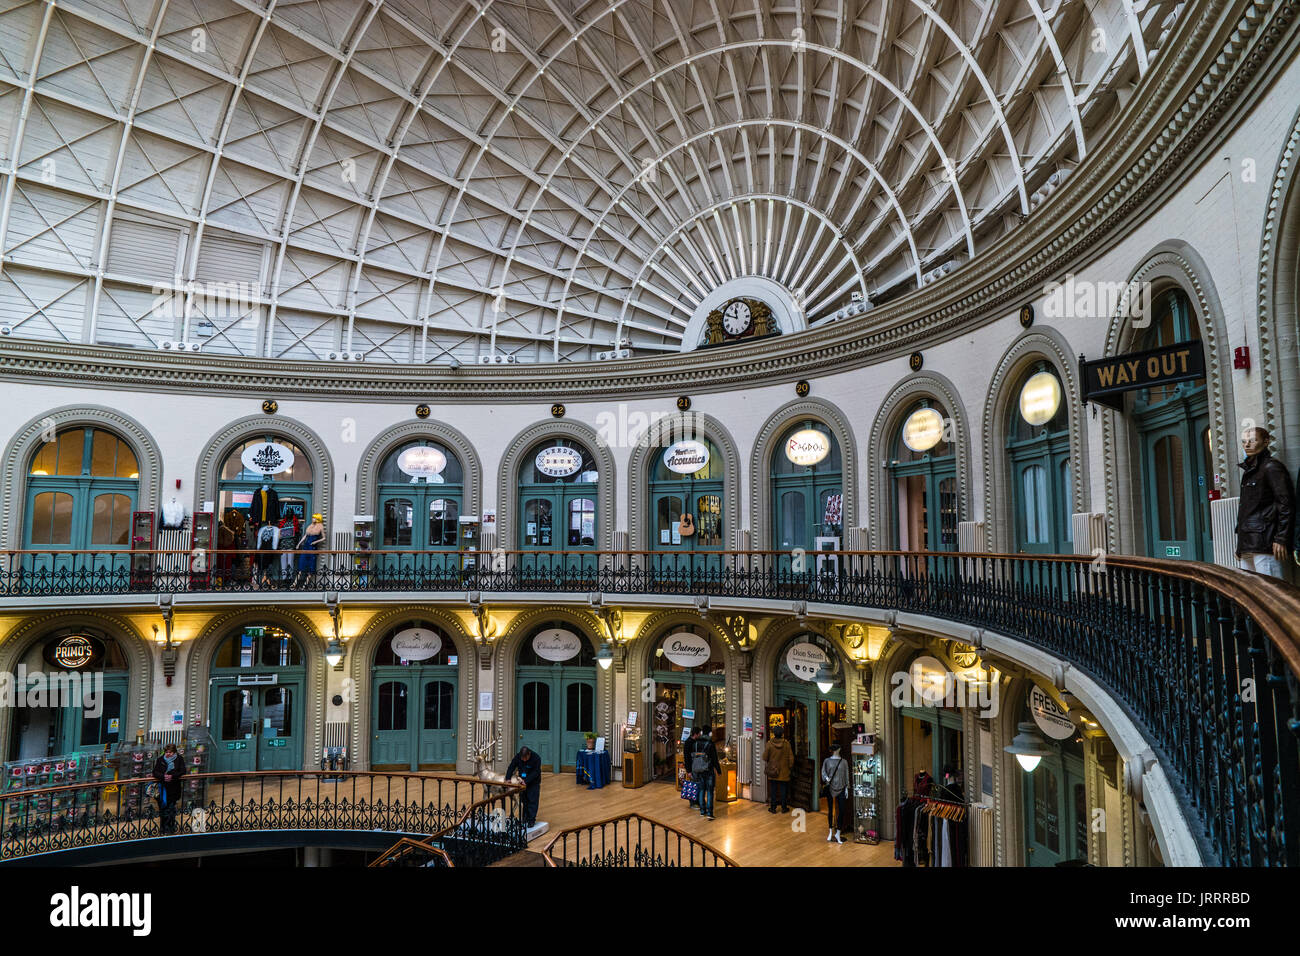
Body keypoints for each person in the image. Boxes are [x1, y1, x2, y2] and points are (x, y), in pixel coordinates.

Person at [1235, 427, 1294, 579]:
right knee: (1250, 594)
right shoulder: (1250, 471)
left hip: (1265, 542)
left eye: (1252, 440)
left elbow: (1286, 504)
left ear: (1266, 442)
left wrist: (1281, 538)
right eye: (1244, 441)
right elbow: (1246, 511)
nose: (1247, 445)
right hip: (1247, 543)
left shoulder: (1272, 467)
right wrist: (1240, 546)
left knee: (1270, 591)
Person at [687, 724, 721, 820]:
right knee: (710, 791)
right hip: (708, 770)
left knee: (701, 790)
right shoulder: (710, 744)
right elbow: (714, 759)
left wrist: (690, 769)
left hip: (698, 770)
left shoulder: (695, 744)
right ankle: (710, 813)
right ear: (710, 733)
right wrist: (718, 770)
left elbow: (691, 756)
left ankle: (702, 811)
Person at [152, 743, 186, 835]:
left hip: (174, 789)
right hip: (162, 789)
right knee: (163, 810)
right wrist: (163, 776)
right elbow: (155, 772)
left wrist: (172, 776)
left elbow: (183, 771)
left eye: (170, 752)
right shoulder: (160, 760)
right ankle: (163, 829)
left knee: (171, 809)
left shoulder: (179, 759)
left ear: (174, 752)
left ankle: (170, 829)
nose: (167, 754)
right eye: (166, 752)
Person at [505, 745, 542, 828]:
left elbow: (536, 772)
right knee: (524, 801)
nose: (523, 760)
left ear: (529, 754)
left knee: (532, 801)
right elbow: (511, 767)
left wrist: (526, 781)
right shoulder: (518, 756)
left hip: (533, 782)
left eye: (525, 758)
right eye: (522, 758)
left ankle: (531, 820)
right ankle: (524, 818)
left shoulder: (536, 758)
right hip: (521, 782)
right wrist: (508, 778)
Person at [821, 743, 850, 844]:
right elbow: (823, 772)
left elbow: (847, 775)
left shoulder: (844, 762)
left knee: (841, 810)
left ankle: (838, 832)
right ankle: (830, 830)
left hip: (841, 787)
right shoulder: (827, 761)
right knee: (830, 810)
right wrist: (826, 778)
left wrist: (847, 787)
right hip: (830, 787)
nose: (837, 750)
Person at [763, 726, 793, 813]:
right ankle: (784, 807)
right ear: (782, 734)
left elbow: (764, 757)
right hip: (784, 770)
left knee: (773, 790)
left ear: (774, 733)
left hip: (773, 770)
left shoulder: (769, 744)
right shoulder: (787, 744)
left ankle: (773, 808)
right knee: (784, 789)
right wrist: (789, 767)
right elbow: (791, 758)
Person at [293, 513, 326, 587]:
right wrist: (299, 544)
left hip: (312, 547)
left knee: (311, 565)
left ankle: (305, 584)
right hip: (306, 546)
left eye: (314, 518)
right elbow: (305, 536)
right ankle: (295, 582)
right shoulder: (310, 526)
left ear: (317, 519)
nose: (313, 519)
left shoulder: (320, 527)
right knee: (301, 563)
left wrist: (315, 542)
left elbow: (324, 538)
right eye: (312, 518)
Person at [682, 728, 702, 808]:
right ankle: (693, 803)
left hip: (697, 767)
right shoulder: (688, 743)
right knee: (693, 785)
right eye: (699, 733)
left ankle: (698, 801)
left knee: (697, 785)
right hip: (692, 768)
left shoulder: (696, 742)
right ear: (696, 734)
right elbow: (686, 757)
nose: (700, 735)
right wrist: (689, 770)